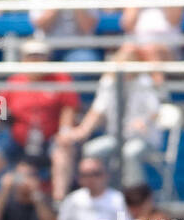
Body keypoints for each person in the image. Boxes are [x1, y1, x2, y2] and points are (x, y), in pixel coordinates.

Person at [0, 40, 80, 203]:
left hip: (50, 137)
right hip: (19, 138)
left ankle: (60, 201)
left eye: (40, 57)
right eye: (32, 57)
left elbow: (69, 108)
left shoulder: (59, 79)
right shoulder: (15, 82)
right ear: (24, 59)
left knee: (62, 152)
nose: (36, 61)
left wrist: (65, 132)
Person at [55, 43, 167, 189]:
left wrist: (144, 122)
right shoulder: (108, 82)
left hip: (143, 139)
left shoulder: (144, 82)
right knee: (92, 150)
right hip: (116, 137)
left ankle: (134, 197)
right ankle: (100, 194)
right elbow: (97, 110)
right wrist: (82, 130)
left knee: (130, 153)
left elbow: (155, 111)